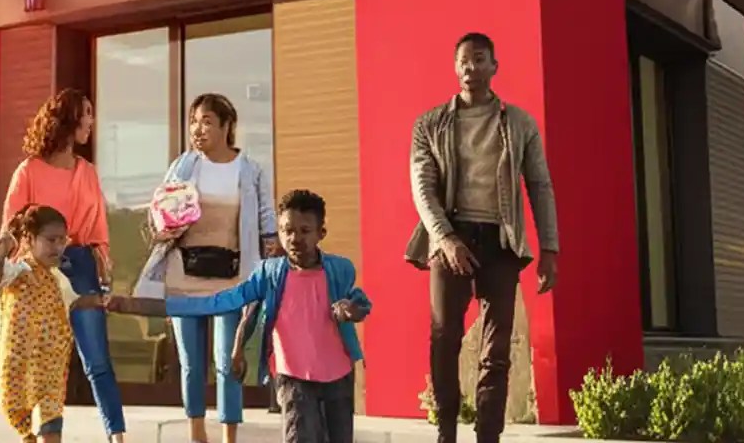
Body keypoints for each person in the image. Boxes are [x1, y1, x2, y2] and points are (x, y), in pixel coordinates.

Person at [108, 189, 372, 443]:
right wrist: (138, 306)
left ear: (320, 233)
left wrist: (351, 309)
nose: (294, 239)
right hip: (294, 378)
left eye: (304, 231)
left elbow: (360, 301)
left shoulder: (340, 269)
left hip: (338, 375)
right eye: (287, 231)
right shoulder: (269, 273)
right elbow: (216, 303)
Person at [406, 32, 560, 443]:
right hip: (450, 236)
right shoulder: (429, 124)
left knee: (496, 347)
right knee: (444, 336)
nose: (470, 67)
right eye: (463, 60)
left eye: (479, 59)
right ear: (455, 67)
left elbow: (540, 185)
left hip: (500, 241)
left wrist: (549, 248)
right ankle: (445, 432)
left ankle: (488, 434)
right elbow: (422, 188)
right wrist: (446, 239)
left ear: (494, 66)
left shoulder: (520, 123)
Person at [148, 93, 277, 443]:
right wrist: (162, 226)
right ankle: (196, 433)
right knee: (190, 363)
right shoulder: (184, 165)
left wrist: (270, 256)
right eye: (194, 121)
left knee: (226, 360)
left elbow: (267, 219)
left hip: (232, 277)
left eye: (206, 121)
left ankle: (228, 435)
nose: (198, 129)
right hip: (184, 272)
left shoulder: (250, 169)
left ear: (226, 126)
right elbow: (159, 206)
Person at [2, 89, 126, 442]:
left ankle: (117, 436)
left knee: (97, 361)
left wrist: (102, 260)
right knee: (40, 365)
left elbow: (99, 225)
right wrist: (14, 273)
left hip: (82, 265)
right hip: (38, 273)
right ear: (70, 118)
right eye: (87, 113)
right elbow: (11, 228)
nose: (91, 121)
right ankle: (39, 435)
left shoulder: (88, 172)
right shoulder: (28, 171)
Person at [0, 205, 102, 443]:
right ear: (30, 239)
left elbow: (77, 302)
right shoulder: (17, 271)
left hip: (50, 379)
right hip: (19, 378)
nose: (58, 247)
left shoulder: (59, 279)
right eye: (50, 240)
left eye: (62, 240)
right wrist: (5, 242)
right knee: (31, 436)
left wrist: (107, 299)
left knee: (50, 431)